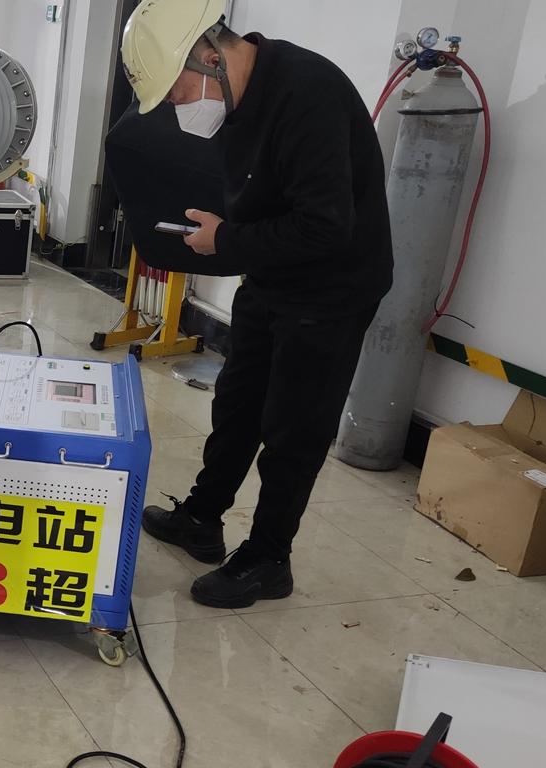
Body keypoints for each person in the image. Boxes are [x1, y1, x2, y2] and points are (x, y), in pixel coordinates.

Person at [120, 0, 393, 608]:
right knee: (238, 402)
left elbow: (326, 226)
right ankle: (202, 518)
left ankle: (270, 558)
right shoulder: (241, 99)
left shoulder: (308, 94)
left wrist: (227, 240)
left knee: (294, 426)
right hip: (274, 276)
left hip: (332, 286)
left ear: (209, 57)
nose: (176, 105)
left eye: (176, 91)